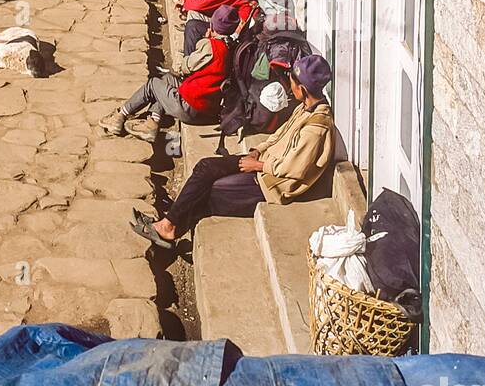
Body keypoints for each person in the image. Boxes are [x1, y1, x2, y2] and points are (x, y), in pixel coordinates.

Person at [130, 54, 336, 248]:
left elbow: (296, 168)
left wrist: (259, 165)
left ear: (303, 88)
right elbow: (278, 137)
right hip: (263, 163)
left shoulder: (316, 127)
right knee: (205, 166)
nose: (289, 85)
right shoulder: (303, 109)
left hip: (271, 183)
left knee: (212, 192)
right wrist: (257, 151)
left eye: (292, 81)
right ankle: (169, 224)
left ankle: (168, 226)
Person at [99, 6, 236, 144]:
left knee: (153, 84)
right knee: (166, 79)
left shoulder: (212, 47)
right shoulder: (230, 48)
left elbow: (187, 66)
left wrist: (202, 42)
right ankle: (153, 122)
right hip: (207, 107)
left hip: (190, 106)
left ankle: (120, 115)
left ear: (212, 27)